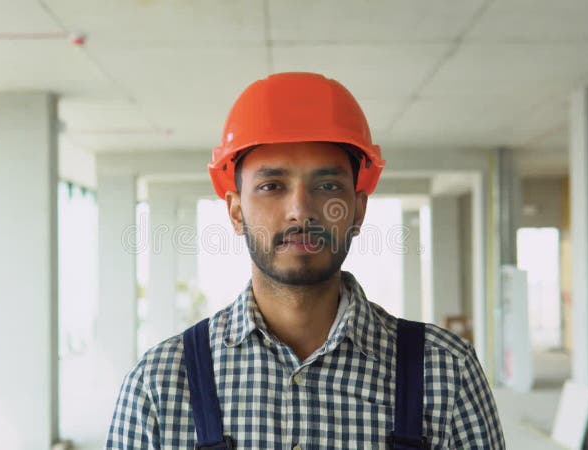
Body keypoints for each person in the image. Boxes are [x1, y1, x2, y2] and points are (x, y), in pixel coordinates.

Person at [105, 72, 505, 449]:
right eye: (272, 186)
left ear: (357, 210)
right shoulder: (159, 385)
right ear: (236, 212)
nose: (300, 210)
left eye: (327, 185)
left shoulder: (444, 372)